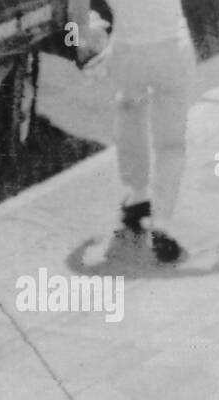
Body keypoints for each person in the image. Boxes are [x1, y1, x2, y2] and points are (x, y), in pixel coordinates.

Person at [71, 0, 197, 263]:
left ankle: (138, 195)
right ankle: (162, 225)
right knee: (171, 144)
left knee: (131, 119)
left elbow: (77, 8)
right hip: (173, 47)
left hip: (129, 52)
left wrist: (81, 47)